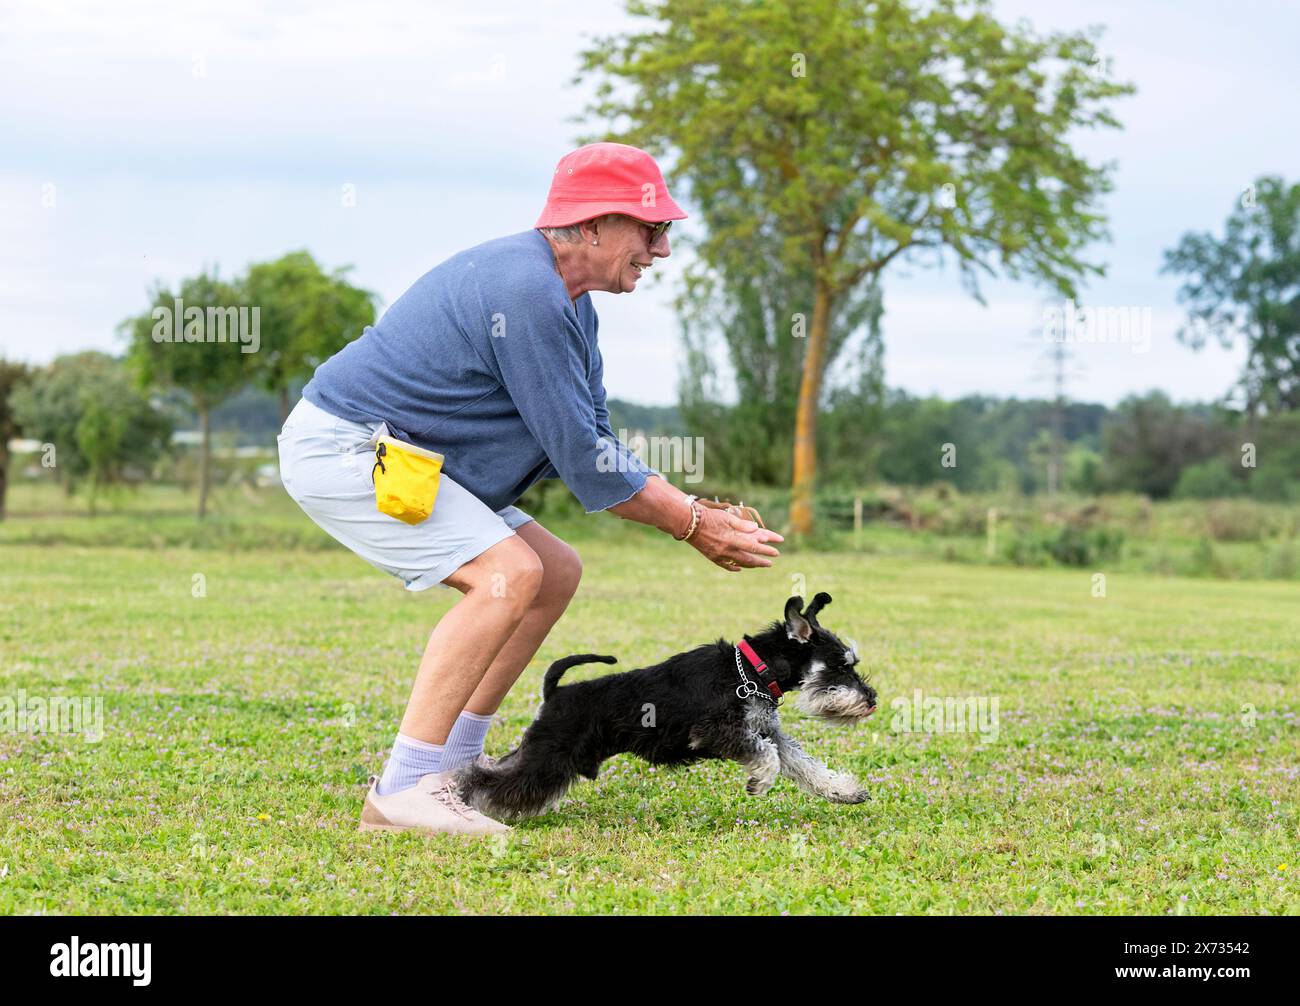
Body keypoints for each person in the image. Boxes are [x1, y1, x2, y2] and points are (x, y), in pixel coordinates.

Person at [276, 142, 784, 836]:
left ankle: (455, 768)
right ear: (592, 224)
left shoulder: (571, 305)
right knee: (508, 573)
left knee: (553, 573)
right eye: (650, 229)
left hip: (404, 458)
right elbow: (579, 453)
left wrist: (690, 508)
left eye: (665, 232)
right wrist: (690, 522)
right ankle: (403, 791)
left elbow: (590, 433)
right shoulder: (527, 291)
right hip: (347, 448)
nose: (662, 250)